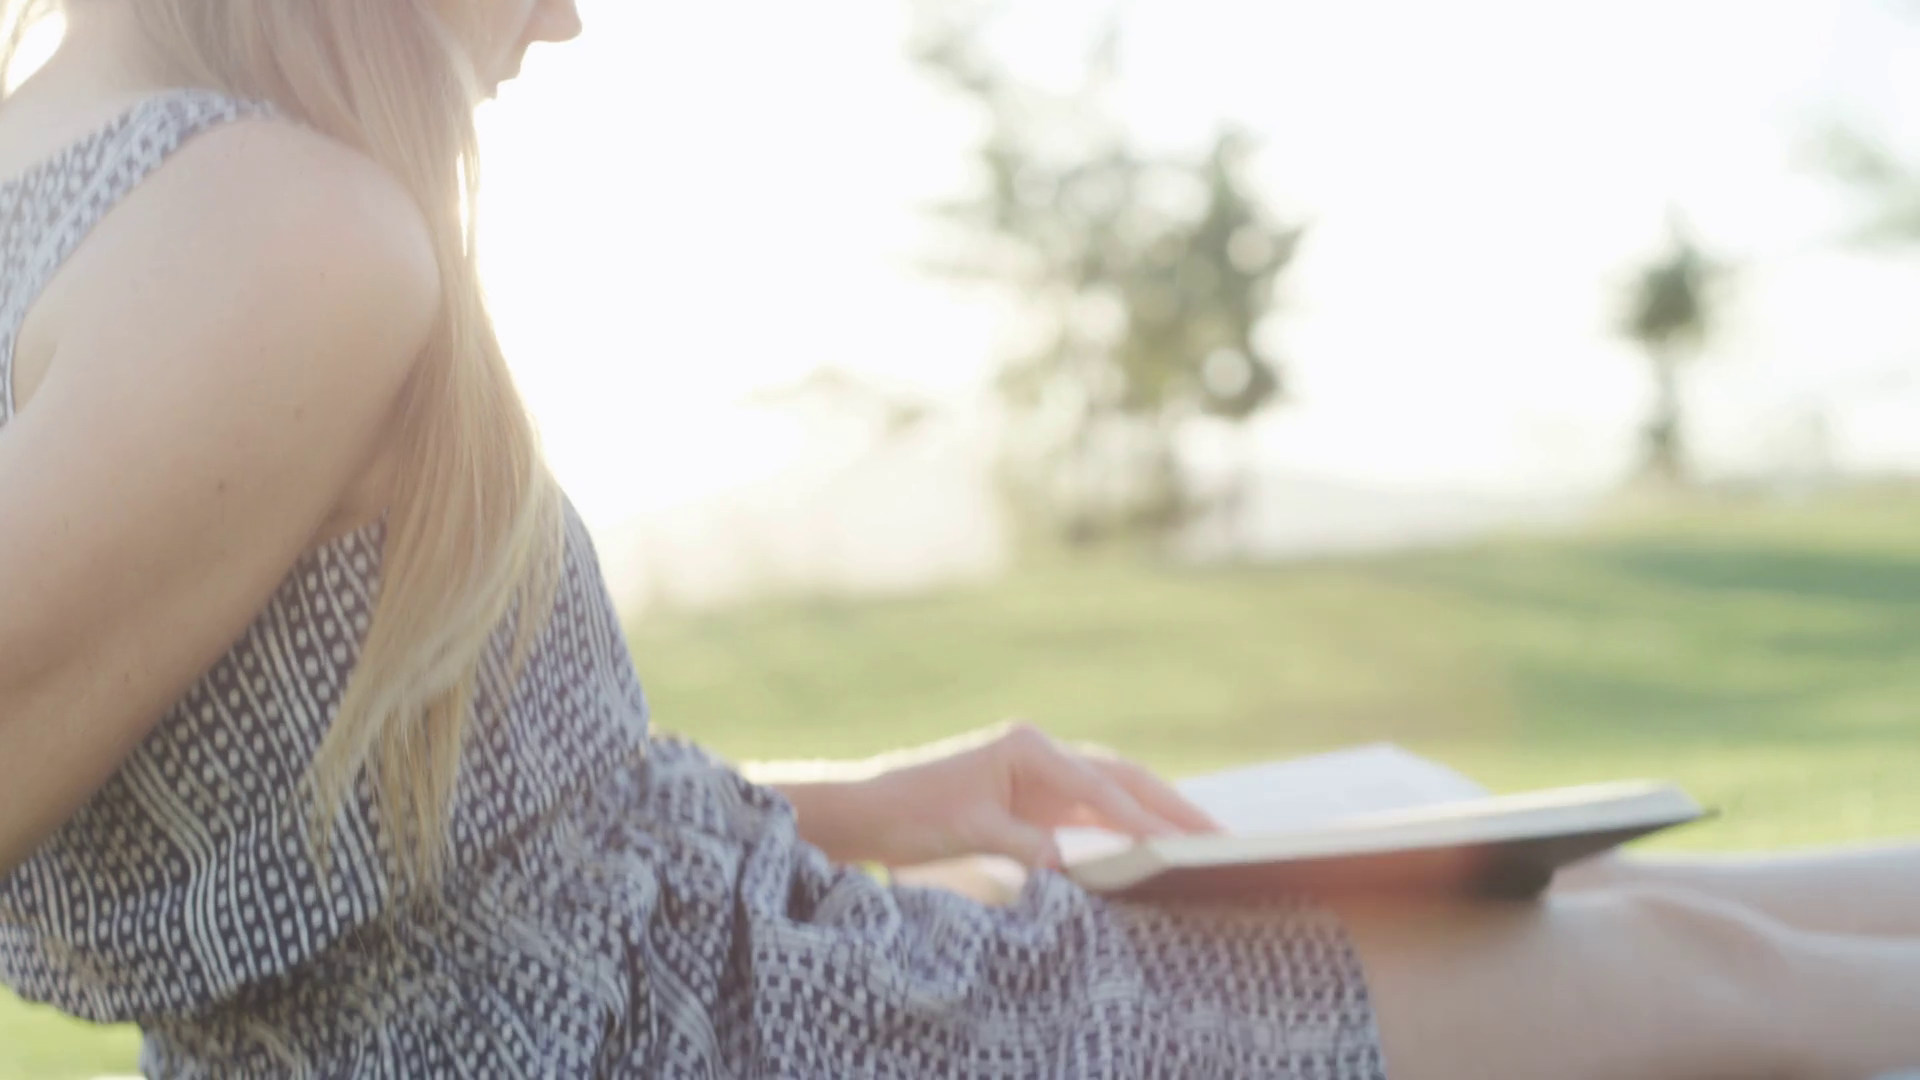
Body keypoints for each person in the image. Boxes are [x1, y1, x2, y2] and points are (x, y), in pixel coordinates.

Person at [1, 2, 1918, 1077]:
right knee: (1683, 985)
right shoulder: (285, 237)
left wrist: (867, 802)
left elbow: (385, 845)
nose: (575, 14)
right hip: (737, 1045)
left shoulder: (80, 177)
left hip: (724, 970)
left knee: (1651, 913)